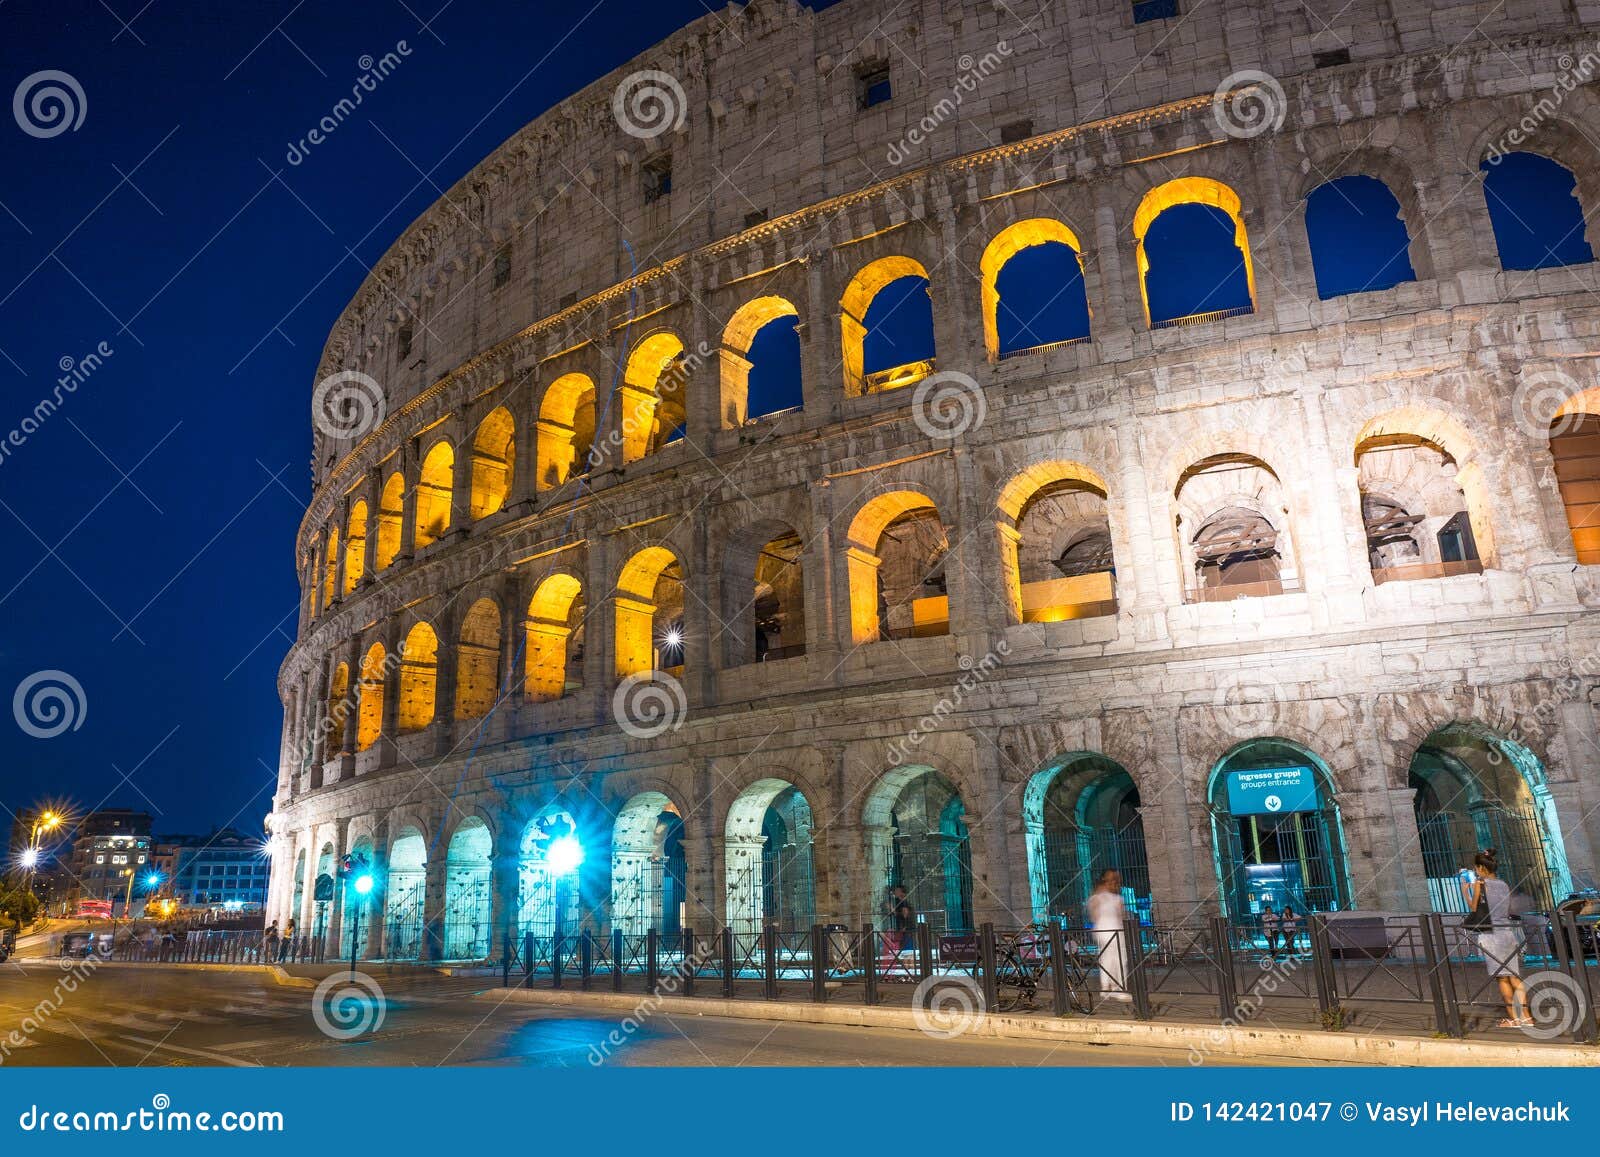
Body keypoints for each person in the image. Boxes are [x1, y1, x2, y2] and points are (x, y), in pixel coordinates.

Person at [1462, 848, 1529, 1027]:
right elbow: (1506, 910)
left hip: (1491, 936)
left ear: (1481, 868)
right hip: (1507, 934)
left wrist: (1464, 891)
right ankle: (1527, 1017)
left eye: (1476, 868)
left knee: (1503, 978)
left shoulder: (1480, 884)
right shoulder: (1503, 884)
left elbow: (1474, 908)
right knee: (1515, 977)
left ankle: (1514, 1019)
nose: (1476, 871)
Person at [1087, 869, 1131, 1003]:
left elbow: (1121, 915)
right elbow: (1094, 915)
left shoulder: (1115, 898)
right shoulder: (1099, 897)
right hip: (1107, 931)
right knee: (1114, 960)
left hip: (1113, 930)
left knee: (1113, 959)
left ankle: (1108, 988)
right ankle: (1115, 989)